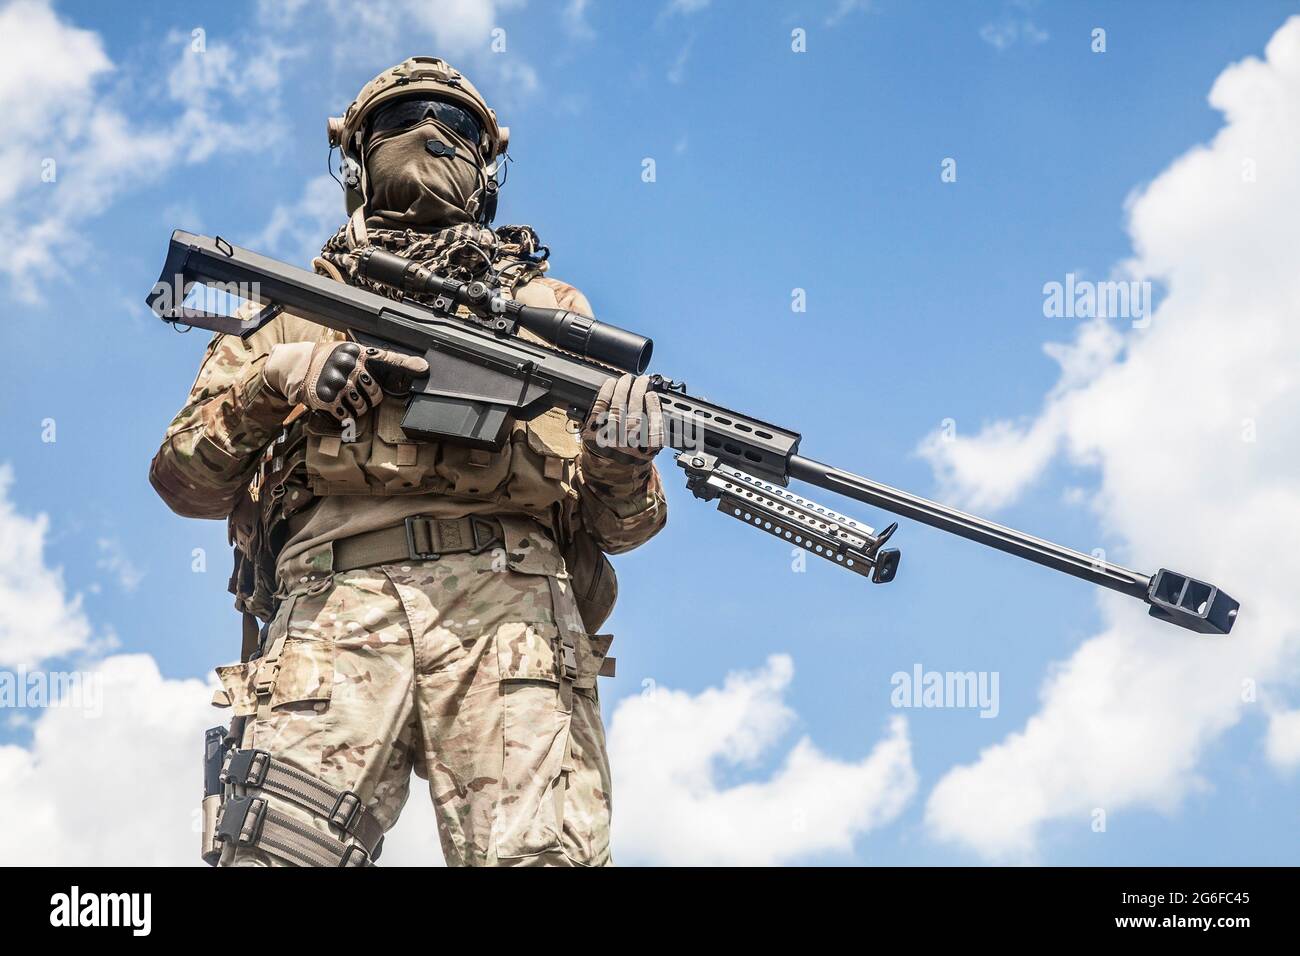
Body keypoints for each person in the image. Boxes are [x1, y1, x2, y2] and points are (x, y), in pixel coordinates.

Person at [151, 56, 667, 867]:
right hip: (332, 614)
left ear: (486, 164)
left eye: (454, 126)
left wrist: (622, 458)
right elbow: (183, 479)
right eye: (399, 123)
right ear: (356, 160)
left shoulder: (551, 316)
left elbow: (626, 526)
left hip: (513, 621)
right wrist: (278, 383)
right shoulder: (289, 309)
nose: (429, 135)